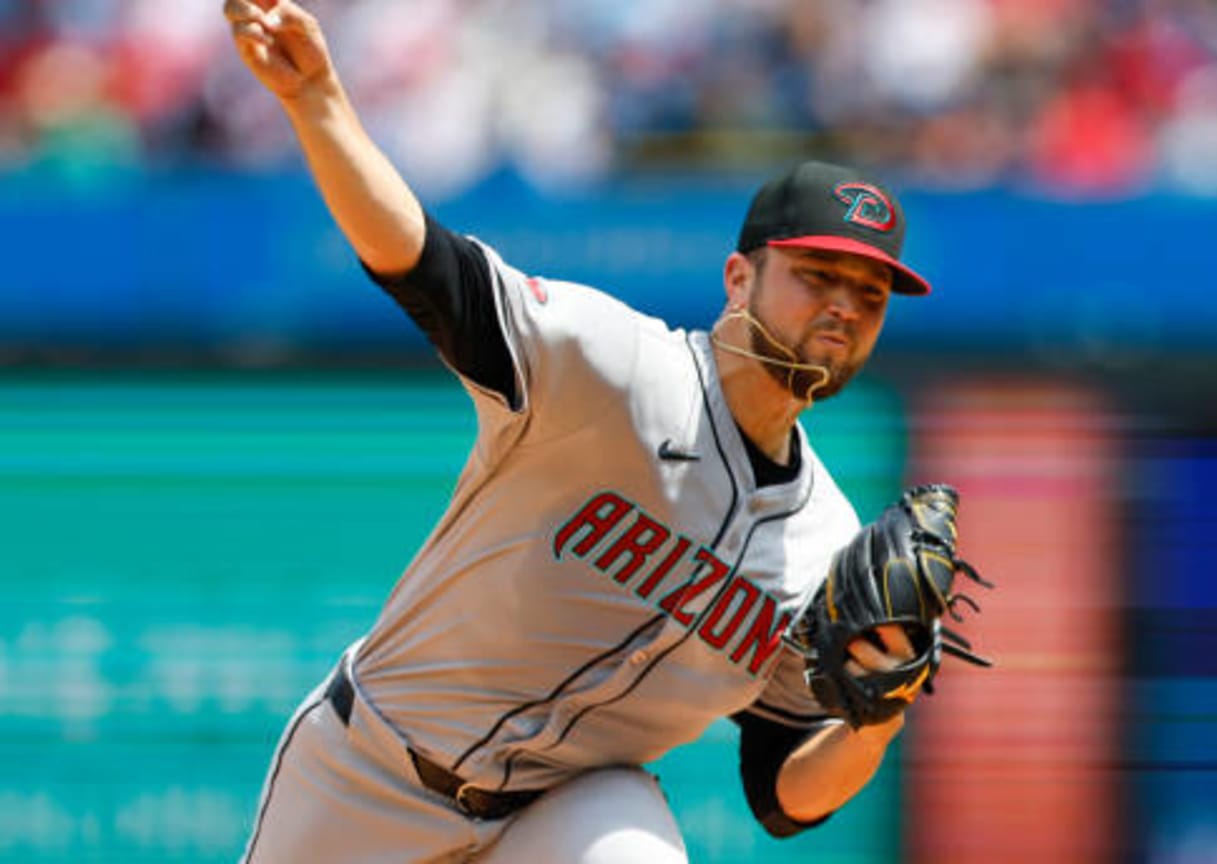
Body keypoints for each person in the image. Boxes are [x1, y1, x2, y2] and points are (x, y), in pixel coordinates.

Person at [226, 1, 940, 861]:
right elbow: (421, 262)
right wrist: (319, 105)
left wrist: (877, 719)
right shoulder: (610, 365)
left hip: (567, 810)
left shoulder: (822, 542)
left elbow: (783, 791)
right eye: (817, 274)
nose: (843, 306)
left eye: (870, 295)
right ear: (739, 278)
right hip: (373, 773)